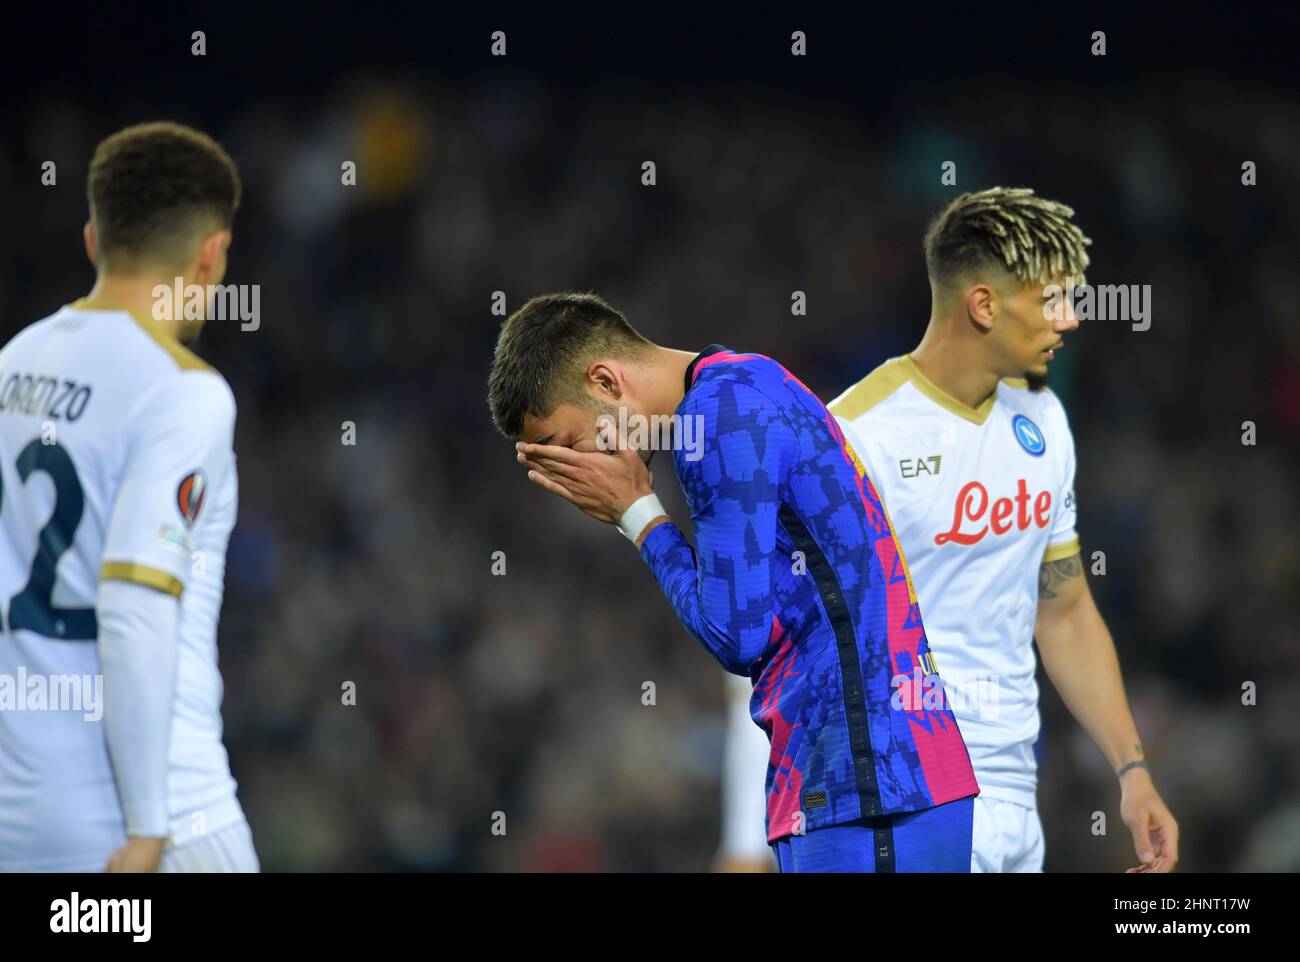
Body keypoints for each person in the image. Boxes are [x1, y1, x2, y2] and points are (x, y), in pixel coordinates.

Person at [490, 291, 979, 872]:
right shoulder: (749, 382)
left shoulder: (716, 419)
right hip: (888, 775)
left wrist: (639, 515)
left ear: (604, 381)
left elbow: (736, 634)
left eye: (572, 446)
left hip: (864, 788)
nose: (582, 472)